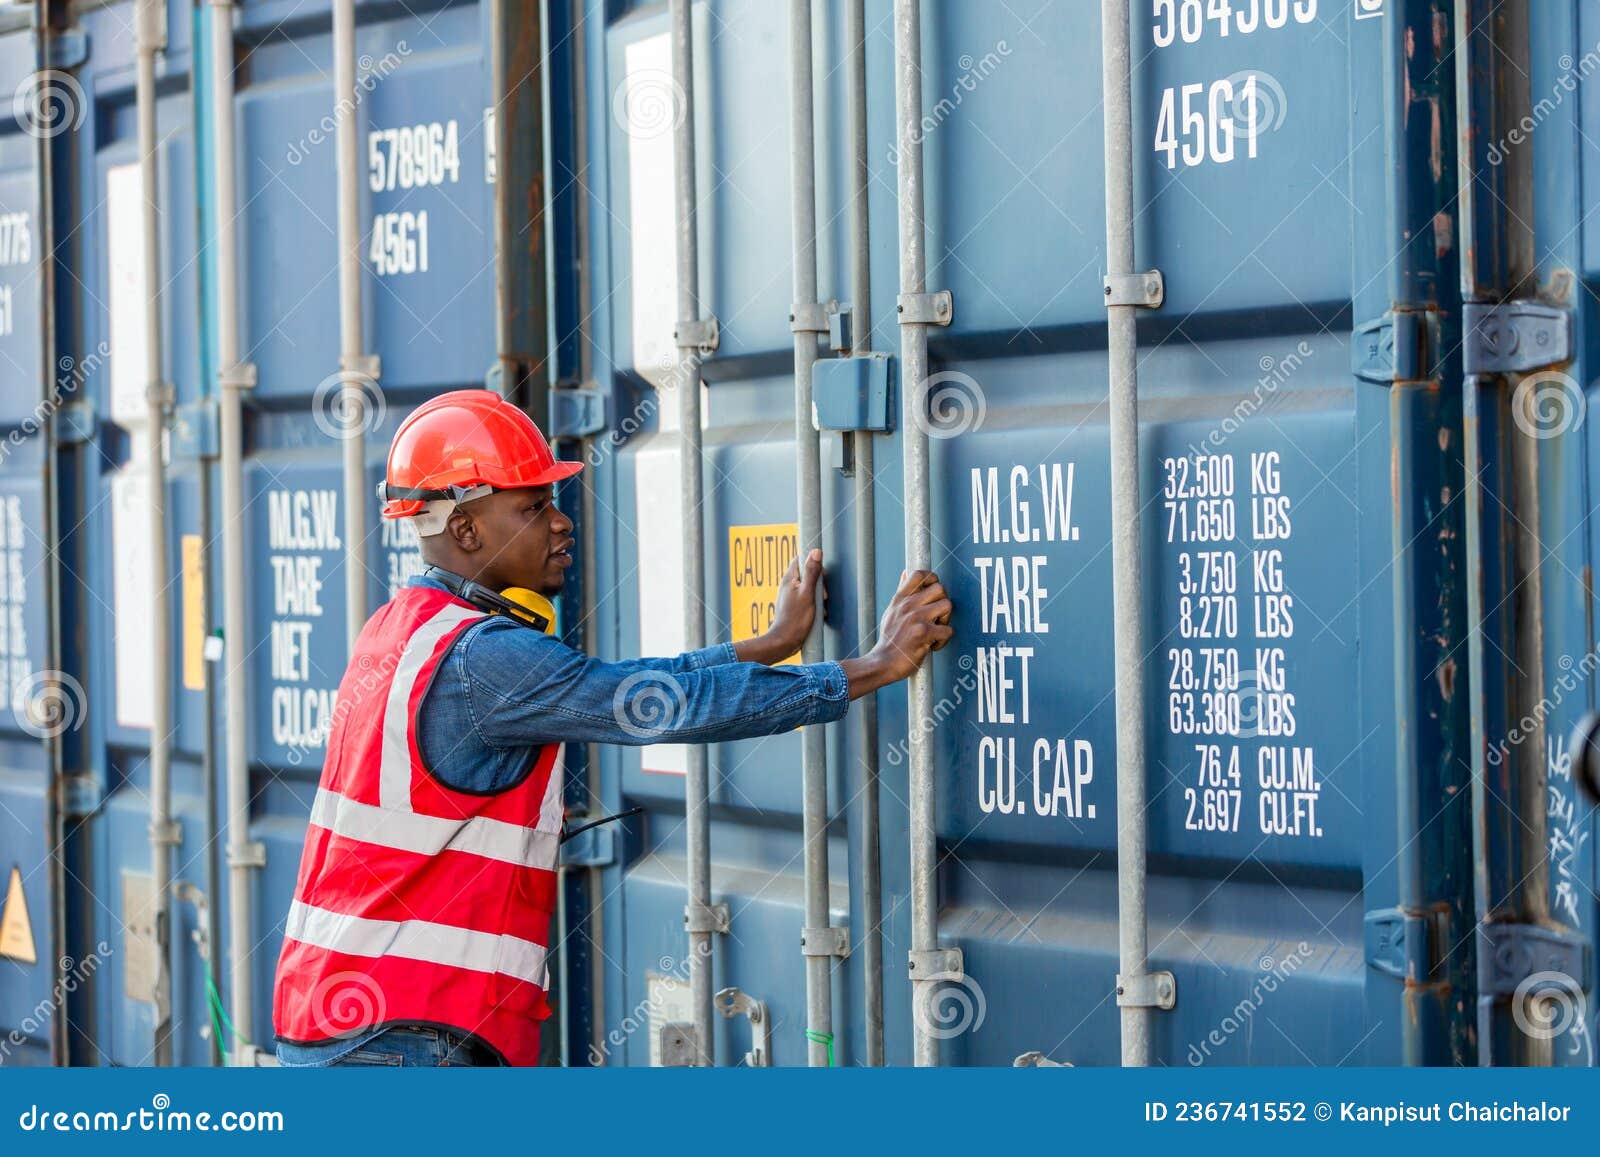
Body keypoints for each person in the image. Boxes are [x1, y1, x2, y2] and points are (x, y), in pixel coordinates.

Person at [271, 389, 953, 1067]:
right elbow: (666, 704)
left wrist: (769, 645)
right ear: (467, 529)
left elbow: (630, 684)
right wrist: (874, 666)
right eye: (533, 507)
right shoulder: (484, 659)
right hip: (404, 1038)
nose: (561, 523)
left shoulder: (402, 629)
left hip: (343, 1027)